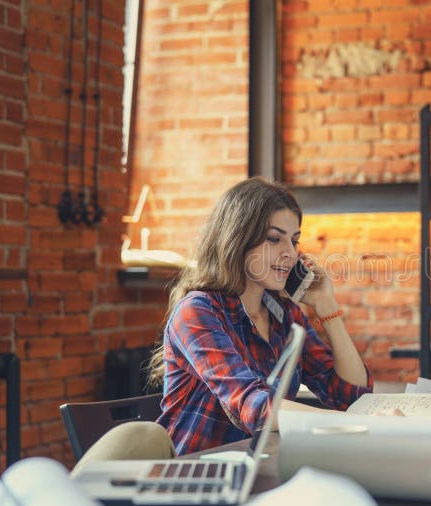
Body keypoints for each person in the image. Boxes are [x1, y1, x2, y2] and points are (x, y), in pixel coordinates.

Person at [147, 177, 373, 455]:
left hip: (263, 467)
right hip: (197, 478)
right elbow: (254, 407)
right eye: (274, 239)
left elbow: (351, 396)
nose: (290, 253)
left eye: (294, 241)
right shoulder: (197, 311)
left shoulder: (286, 316)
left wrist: (326, 306)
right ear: (238, 239)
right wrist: (361, 422)